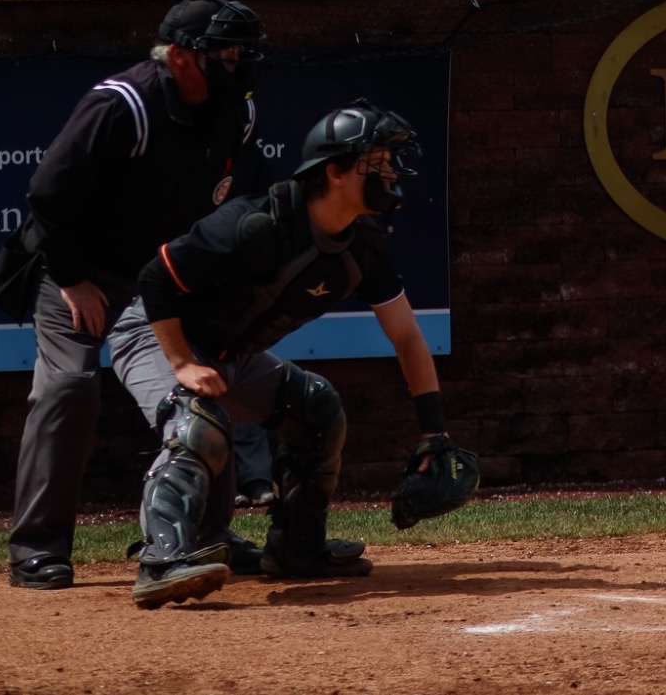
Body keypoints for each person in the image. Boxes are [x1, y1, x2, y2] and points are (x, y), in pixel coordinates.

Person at [105, 100, 459, 608]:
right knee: (196, 421)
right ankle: (165, 556)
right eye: (375, 161)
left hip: (233, 353)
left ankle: (298, 548)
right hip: (155, 332)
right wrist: (182, 364)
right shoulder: (257, 222)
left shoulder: (364, 246)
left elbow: (407, 337)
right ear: (334, 172)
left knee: (316, 406)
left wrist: (434, 432)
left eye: (389, 161)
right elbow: (156, 278)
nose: (389, 171)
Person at [4, 0, 267, 590]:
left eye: (241, 51)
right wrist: (73, 279)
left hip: (163, 275)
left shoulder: (237, 110)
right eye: (222, 52)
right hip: (78, 268)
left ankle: (208, 534)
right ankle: (36, 549)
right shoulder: (122, 105)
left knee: (203, 374)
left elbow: (242, 201)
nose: (236, 62)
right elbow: (47, 192)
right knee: (70, 384)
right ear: (178, 56)